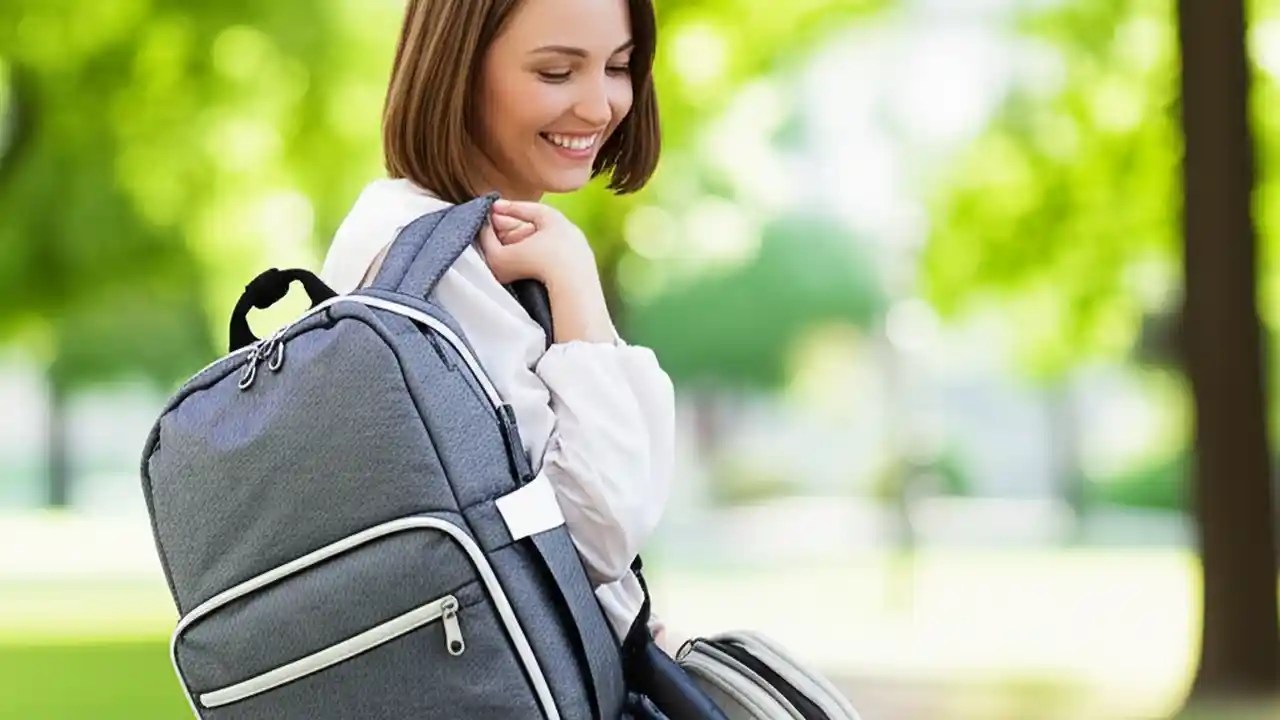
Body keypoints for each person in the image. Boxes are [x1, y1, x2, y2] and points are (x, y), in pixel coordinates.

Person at [318, 0, 679, 656]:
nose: (599, 107)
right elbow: (594, 534)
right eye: (556, 73)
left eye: (619, 67)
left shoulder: (417, 233)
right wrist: (577, 287)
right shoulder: (435, 263)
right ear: (459, 69)